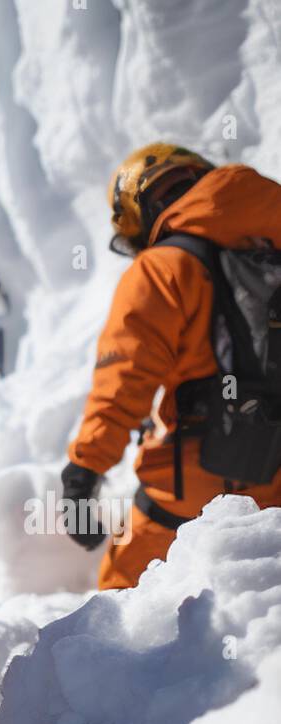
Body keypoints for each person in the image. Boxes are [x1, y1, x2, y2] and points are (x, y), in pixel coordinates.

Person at [63, 146, 281, 588]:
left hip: (192, 486)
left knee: (117, 617)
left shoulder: (163, 268)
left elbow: (124, 379)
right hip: (276, 480)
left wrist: (84, 471)